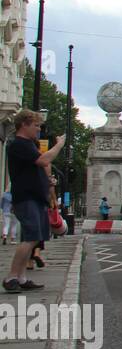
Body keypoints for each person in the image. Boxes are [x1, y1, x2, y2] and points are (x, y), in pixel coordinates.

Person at [5, 110, 64, 293]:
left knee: (32, 237)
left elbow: (35, 169)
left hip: (35, 197)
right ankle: (11, 277)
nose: (39, 129)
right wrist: (59, 145)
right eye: (36, 125)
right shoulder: (19, 144)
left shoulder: (28, 145)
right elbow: (44, 160)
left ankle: (21, 277)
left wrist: (48, 183)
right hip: (27, 197)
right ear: (24, 124)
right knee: (30, 238)